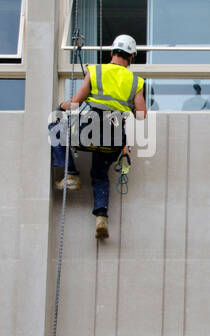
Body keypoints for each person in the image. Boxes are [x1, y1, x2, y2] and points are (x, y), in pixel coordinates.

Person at [54, 33, 147, 240]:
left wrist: (61, 106)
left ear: (112, 52)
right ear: (131, 58)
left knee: (55, 126)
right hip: (113, 138)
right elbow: (141, 116)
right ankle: (101, 218)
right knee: (99, 174)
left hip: (90, 131)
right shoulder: (135, 81)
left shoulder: (95, 71)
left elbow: (76, 103)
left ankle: (70, 173)